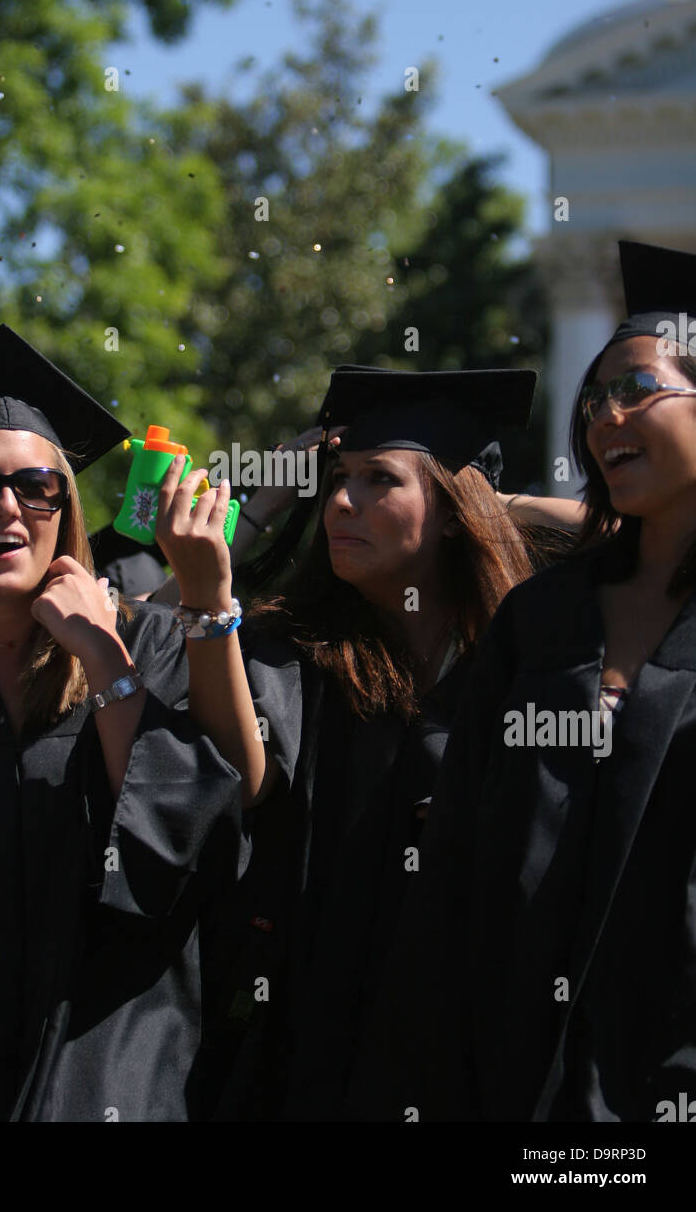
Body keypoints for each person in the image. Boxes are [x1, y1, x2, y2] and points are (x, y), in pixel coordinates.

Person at [0, 323, 298, 1122]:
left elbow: (209, 838)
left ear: (65, 505)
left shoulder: (147, 643)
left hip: (116, 1067)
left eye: (38, 486)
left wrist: (104, 659)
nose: (6, 505)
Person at [391, 239, 696, 1122]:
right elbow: (456, 851)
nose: (604, 417)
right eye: (595, 398)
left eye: (636, 390)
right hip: (519, 1074)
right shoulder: (543, 620)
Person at [197, 364, 540, 1121]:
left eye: (379, 479)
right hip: (304, 1054)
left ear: (454, 510)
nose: (340, 502)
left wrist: (495, 499)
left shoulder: (523, 665)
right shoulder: (290, 650)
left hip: (470, 1053)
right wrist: (260, 505)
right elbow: (245, 771)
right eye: (337, 477)